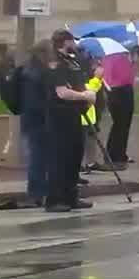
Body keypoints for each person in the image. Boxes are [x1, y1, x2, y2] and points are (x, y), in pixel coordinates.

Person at [45, 30, 96, 213]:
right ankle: (55, 199)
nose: (74, 43)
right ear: (65, 42)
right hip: (60, 116)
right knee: (61, 159)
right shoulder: (56, 63)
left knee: (74, 157)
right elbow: (61, 92)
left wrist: (85, 98)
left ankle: (71, 196)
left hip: (75, 114)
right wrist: (84, 95)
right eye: (72, 40)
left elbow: (76, 84)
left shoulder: (72, 61)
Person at [18, 40, 55, 209]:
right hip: (37, 122)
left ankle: (40, 193)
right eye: (50, 52)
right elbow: (35, 102)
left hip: (36, 121)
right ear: (42, 54)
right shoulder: (34, 73)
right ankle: (35, 194)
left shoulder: (35, 70)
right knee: (38, 159)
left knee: (40, 158)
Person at [102, 47, 136, 168]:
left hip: (125, 89)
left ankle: (120, 153)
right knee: (120, 123)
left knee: (124, 123)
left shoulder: (125, 56)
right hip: (118, 90)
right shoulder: (112, 56)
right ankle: (113, 154)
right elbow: (110, 76)